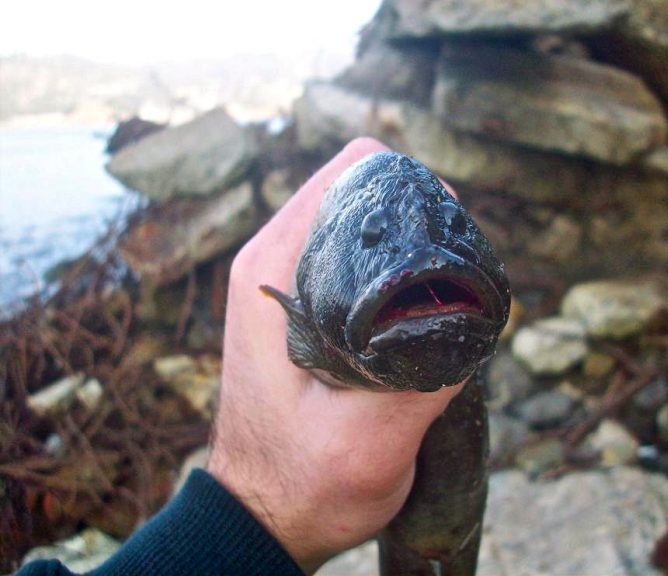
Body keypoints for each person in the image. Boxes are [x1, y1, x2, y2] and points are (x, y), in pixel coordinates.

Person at [17, 138, 465, 576]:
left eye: (453, 224)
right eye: (371, 233)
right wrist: (252, 512)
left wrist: (246, 514)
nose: (428, 254)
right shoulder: (330, 315)